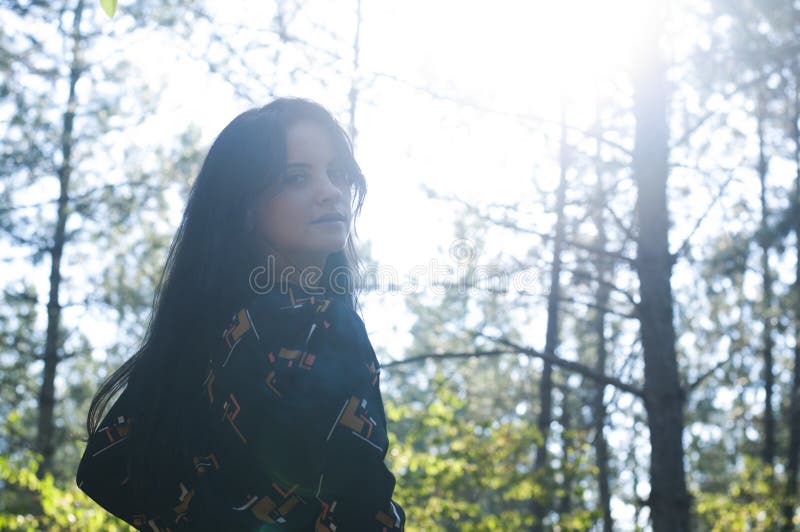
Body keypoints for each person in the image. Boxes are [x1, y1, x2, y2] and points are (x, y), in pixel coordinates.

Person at [76, 97, 406, 531]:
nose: (331, 191)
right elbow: (362, 506)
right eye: (297, 177)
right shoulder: (321, 326)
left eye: (338, 172)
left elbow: (108, 469)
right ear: (245, 206)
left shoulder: (203, 336)